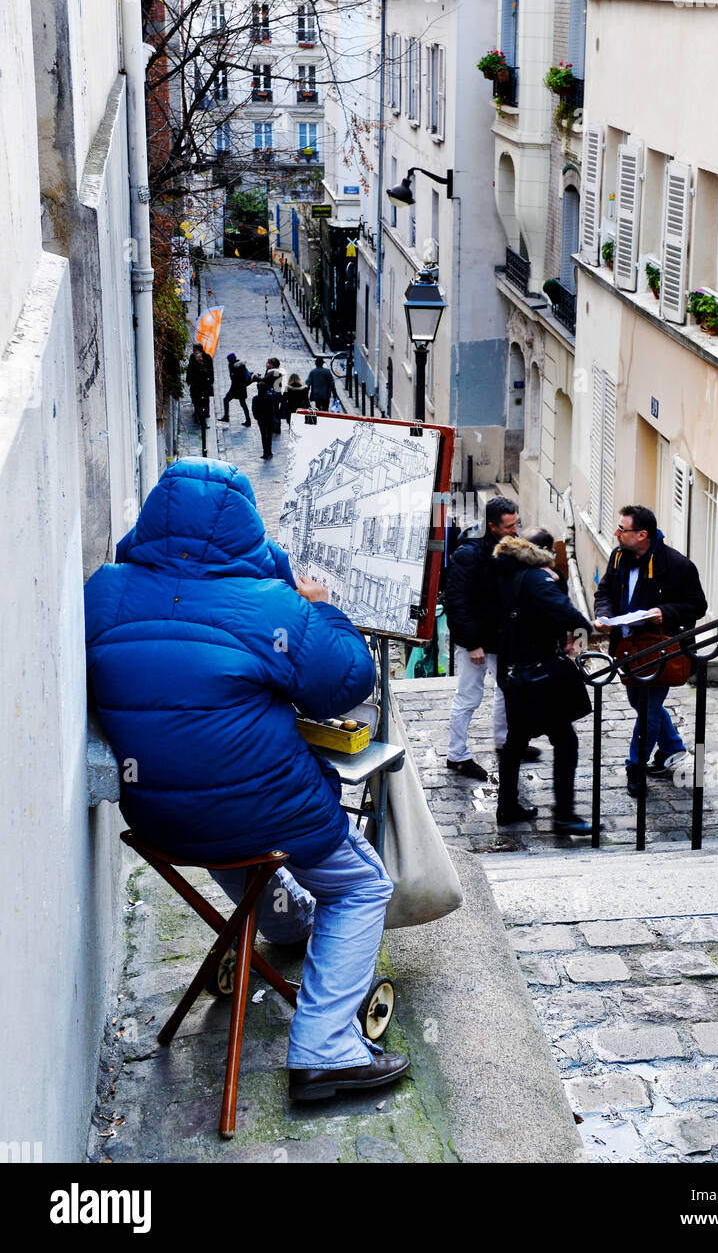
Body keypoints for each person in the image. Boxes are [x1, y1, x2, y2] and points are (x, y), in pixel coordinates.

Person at [84, 458, 408, 1100]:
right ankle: (325, 1050)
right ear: (245, 531)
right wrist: (320, 606)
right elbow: (349, 682)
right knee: (363, 885)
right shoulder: (271, 607)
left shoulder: (103, 592)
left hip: (157, 820)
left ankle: (285, 928)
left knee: (247, 857)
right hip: (267, 811)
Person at [594, 505, 707, 796]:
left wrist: (664, 613)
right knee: (641, 704)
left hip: (661, 651)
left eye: (623, 529)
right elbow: (604, 591)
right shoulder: (618, 556)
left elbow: (697, 607)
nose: (616, 533)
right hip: (628, 647)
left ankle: (635, 768)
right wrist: (603, 616)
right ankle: (673, 747)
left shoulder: (678, 566)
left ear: (642, 534)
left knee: (647, 709)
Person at [494, 528, 593, 833]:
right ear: (545, 554)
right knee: (565, 740)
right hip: (537, 675)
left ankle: (507, 806)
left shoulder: (504, 574)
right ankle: (563, 814)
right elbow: (567, 614)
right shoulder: (538, 579)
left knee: (515, 743)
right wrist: (582, 630)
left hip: (512, 670)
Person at [443, 498, 541, 779]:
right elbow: (456, 602)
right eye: (509, 526)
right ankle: (457, 755)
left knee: (508, 692)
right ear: (492, 526)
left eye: (516, 524)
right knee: (468, 696)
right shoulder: (468, 555)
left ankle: (506, 743)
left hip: (504, 638)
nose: (515, 529)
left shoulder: (513, 549)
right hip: (476, 640)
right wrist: (473, 643)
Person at [185, 343, 213, 428]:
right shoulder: (193, 359)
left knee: (203, 402)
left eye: (195, 349)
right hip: (196, 387)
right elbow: (189, 370)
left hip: (204, 386)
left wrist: (210, 381)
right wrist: (189, 380)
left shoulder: (207, 358)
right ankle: (199, 418)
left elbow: (210, 371)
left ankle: (203, 417)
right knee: (197, 404)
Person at [220, 352, 252, 426]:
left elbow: (234, 378)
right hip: (241, 388)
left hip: (235, 388)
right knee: (243, 404)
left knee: (226, 400)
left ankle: (226, 417)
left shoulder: (232, 366)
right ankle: (248, 420)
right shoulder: (241, 365)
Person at [251, 380, 274, 459]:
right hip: (269, 419)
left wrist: (256, 417)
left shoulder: (255, 399)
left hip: (261, 420)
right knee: (269, 435)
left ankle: (265, 452)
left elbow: (254, 409)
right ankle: (269, 451)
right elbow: (272, 408)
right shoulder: (269, 397)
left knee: (263, 435)